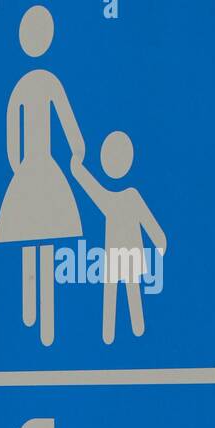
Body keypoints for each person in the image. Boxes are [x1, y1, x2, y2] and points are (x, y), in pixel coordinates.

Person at [0, 5, 86, 347]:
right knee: (45, 237)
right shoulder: (46, 82)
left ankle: (36, 316)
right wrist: (77, 151)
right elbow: (68, 124)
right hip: (43, 167)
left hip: (31, 168)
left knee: (33, 238)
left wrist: (19, 167)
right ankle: (40, 321)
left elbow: (11, 139)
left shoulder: (26, 85)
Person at [70, 132, 168, 344]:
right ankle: (113, 335)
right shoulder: (120, 198)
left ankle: (130, 332)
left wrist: (160, 242)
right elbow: (92, 187)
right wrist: (76, 169)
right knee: (115, 293)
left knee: (125, 292)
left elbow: (149, 222)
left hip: (126, 256)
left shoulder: (123, 198)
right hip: (119, 256)